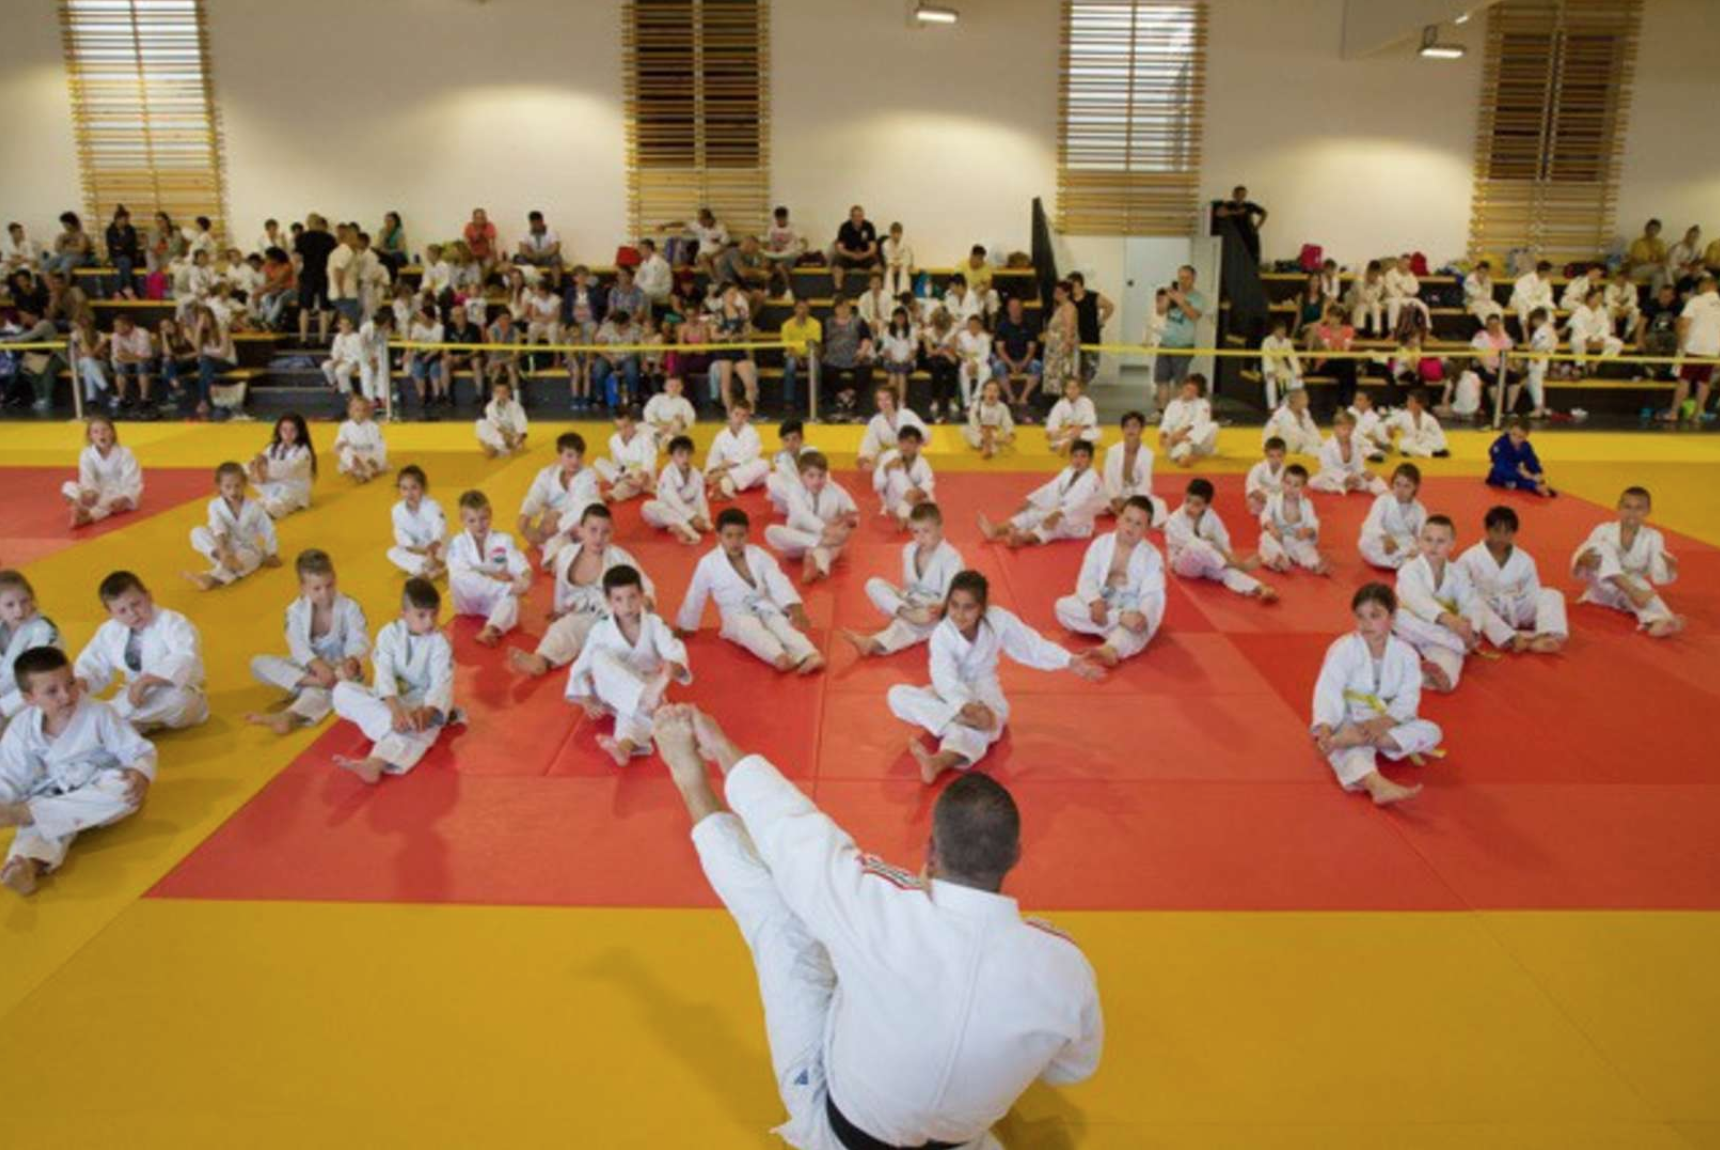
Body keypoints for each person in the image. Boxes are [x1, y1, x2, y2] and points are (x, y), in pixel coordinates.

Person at [654, 700, 1103, 1148]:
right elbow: (1071, 1069)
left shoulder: (881, 908)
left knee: (779, 919)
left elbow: (796, 833)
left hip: (835, 1131)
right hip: (963, 1142)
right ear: (1014, 857)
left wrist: (720, 746)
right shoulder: (1065, 967)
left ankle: (689, 780)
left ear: (930, 851)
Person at [889, 570, 1104, 782]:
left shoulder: (998, 620)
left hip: (984, 689)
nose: (959, 614)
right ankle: (960, 721)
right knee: (897, 695)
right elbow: (943, 678)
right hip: (950, 693)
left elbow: (1032, 646)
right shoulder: (942, 635)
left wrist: (1069, 660)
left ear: (982, 608)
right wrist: (964, 708)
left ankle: (938, 761)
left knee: (990, 725)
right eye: (954, 605)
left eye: (968, 607)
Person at [0, 647, 156, 896]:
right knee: (43, 814)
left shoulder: (100, 713)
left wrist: (140, 772)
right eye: (52, 691)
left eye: (70, 683)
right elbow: (7, 776)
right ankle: (28, 867)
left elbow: (137, 751)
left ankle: (29, 819)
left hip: (96, 788)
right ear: (29, 698)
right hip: (50, 795)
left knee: (122, 788)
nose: (67, 695)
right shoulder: (21, 728)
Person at [1310, 583, 1440, 806]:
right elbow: (1328, 688)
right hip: (1349, 716)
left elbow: (1408, 698)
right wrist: (1325, 724)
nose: (1366, 623)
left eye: (1375, 615)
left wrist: (1384, 721)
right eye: (1360, 616)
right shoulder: (1343, 648)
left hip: (1388, 720)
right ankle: (1376, 784)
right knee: (1345, 747)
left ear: (1392, 616)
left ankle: (1353, 740)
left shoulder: (1406, 654)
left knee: (1432, 732)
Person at [330, 577, 460, 785]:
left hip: (420, 706)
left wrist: (427, 712)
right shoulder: (388, 634)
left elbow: (441, 684)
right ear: (404, 613)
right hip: (390, 703)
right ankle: (401, 731)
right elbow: (383, 674)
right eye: (421, 615)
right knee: (342, 691)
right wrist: (396, 711)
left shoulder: (440, 643)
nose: (429, 621)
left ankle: (375, 763)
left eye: (434, 614)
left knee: (419, 728)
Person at [509, 505, 654, 680]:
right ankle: (540, 660)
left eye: (605, 532)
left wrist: (646, 603)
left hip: (612, 616)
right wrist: (559, 609)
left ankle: (607, 669)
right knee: (561, 630)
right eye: (593, 530)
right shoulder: (566, 554)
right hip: (582, 612)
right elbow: (561, 587)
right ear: (580, 530)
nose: (598, 537)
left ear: (612, 533)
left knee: (616, 646)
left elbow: (644, 585)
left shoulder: (619, 558)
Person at [564, 566, 690, 766]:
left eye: (632, 597)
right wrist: (586, 697)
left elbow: (675, 655)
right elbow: (580, 668)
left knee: (632, 711)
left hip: (646, 684)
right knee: (598, 658)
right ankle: (645, 696)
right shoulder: (601, 629)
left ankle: (623, 747)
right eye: (619, 599)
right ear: (608, 601)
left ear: (642, 595)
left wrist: (671, 668)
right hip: (613, 689)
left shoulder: (655, 624)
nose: (627, 605)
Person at [674, 508, 824, 674]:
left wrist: (796, 610)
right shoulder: (708, 563)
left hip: (764, 605)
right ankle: (779, 657)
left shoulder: (758, 555)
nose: (735, 541)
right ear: (718, 536)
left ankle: (810, 654)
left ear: (747, 534)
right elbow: (696, 595)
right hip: (735, 613)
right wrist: (686, 625)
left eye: (740, 535)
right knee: (750, 631)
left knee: (781, 625)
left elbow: (779, 581)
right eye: (729, 536)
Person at [244, 549, 369, 735]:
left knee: (337, 686)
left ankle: (289, 715)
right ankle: (320, 684)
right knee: (258, 663)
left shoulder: (349, 606)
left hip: (340, 667)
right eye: (317, 589)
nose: (325, 593)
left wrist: (351, 660)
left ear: (335, 578)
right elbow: (297, 647)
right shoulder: (294, 612)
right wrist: (317, 667)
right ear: (303, 587)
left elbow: (359, 639)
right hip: (309, 669)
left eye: (329, 585)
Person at [74, 571, 208, 732]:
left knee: (179, 701)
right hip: (134, 696)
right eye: (122, 611)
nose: (132, 613)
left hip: (176, 691)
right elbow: (93, 663)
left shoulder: (173, 622)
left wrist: (145, 682)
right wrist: (79, 685)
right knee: (121, 706)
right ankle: (127, 726)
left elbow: (185, 657)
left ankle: (112, 724)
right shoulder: (109, 631)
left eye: (136, 604)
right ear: (110, 613)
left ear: (149, 596)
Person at [1394, 516, 1513, 692]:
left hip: (1439, 634)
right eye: (1428, 540)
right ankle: (1461, 644)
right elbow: (1418, 601)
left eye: (1440, 541)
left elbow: (1471, 602)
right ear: (1419, 542)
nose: (1433, 546)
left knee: (1449, 657)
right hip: (1412, 626)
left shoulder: (1458, 572)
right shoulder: (1409, 570)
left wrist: (1471, 629)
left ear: (1452, 545)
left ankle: (1432, 678)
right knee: (1400, 618)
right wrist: (1456, 627)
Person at [841, 502, 963, 658]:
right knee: (873, 583)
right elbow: (908, 587)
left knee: (911, 625)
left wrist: (940, 607)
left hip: (933, 610)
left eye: (926, 531)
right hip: (910, 604)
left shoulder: (951, 558)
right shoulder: (909, 549)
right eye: (915, 531)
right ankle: (906, 614)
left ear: (940, 527)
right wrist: (905, 603)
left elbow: (952, 596)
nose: (920, 537)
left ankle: (872, 643)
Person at [1054, 496, 1165, 665]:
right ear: (1119, 518)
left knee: (1139, 627)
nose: (1131, 527)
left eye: (1138, 523)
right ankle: (1116, 624)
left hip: (1130, 606)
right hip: (1104, 605)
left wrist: (1141, 616)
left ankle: (1110, 649)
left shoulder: (1152, 556)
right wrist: (1094, 601)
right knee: (1062, 607)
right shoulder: (1101, 544)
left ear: (1147, 528)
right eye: (1128, 519)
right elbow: (1086, 579)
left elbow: (1153, 594)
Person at [1570, 486, 1682, 637]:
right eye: (1627, 507)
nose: (1632, 513)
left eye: (1638, 508)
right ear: (1619, 508)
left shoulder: (1654, 537)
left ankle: (1658, 621)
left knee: (1638, 581)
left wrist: (1670, 569)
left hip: (1627, 595)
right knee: (1600, 546)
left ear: (1647, 511)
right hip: (1602, 590)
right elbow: (1581, 562)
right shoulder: (1603, 529)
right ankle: (1635, 593)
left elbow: (1658, 577)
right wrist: (1581, 561)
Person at [1458, 506, 1567, 655]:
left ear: (1514, 533)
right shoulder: (1470, 557)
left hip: (1514, 606)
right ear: (1487, 530)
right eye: (1497, 531)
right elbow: (1458, 590)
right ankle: (1511, 638)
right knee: (1473, 602)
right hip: (1486, 609)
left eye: (1507, 532)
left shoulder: (1524, 559)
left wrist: (1530, 607)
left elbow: (1532, 591)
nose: (1501, 537)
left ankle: (1544, 635)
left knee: (1551, 594)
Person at [978, 439, 1106, 548]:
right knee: (1032, 514)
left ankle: (1020, 539)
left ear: (1090, 459)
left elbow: (1080, 502)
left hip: (1079, 523)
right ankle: (995, 531)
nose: (1078, 460)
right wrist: (1029, 501)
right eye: (1075, 456)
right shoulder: (1069, 471)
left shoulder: (1092, 479)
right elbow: (1051, 487)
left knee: (1051, 527)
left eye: (1083, 456)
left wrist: (1056, 514)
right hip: (1061, 512)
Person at [1165, 477, 1275, 601]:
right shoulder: (1174, 519)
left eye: (1197, 504)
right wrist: (1237, 563)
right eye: (1187, 500)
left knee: (1227, 572)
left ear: (1207, 505)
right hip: (1184, 565)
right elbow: (1194, 544)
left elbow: (1224, 542)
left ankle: (1260, 588)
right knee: (1196, 546)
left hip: (1208, 562)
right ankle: (1242, 567)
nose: (1189, 507)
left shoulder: (1211, 516)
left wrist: (1226, 556)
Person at [448, 489, 531, 647]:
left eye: (483, 518)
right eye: (472, 520)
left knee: (512, 599)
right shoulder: (457, 543)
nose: (479, 525)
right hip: (466, 601)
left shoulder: (503, 539)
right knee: (458, 577)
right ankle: (504, 590)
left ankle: (491, 629)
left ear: (490, 514)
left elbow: (516, 560)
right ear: (462, 520)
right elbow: (464, 578)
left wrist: (525, 575)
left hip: (490, 600)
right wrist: (500, 583)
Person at [185, 460, 281, 590]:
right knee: (197, 532)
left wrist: (272, 553)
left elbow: (268, 529)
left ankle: (210, 578)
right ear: (219, 487)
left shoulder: (253, 507)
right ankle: (224, 562)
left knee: (247, 559)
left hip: (247, 549)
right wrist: (223, 553)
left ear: (244, 484)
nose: (233, 491)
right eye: (228, 487)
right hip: (220, 548)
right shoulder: (215, 505)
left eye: (237, 486)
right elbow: (218, 528)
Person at [765, 452, 859, 583]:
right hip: (798, 542)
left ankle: (817, 566)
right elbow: (802, 515)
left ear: (826, 474)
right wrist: (826, 530)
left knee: (838, 540)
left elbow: (853, 513)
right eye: (811, 476)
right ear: (801, 476)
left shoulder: (835, 490)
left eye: (821, 476)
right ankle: (817, 550)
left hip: (828, 542)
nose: (817, 481)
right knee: (771, 531)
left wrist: (849, 521)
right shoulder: (795, 490)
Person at [517, 432, 600, 559]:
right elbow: (535, 495)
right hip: (550, 524)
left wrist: (559, 520)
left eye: (579, 456)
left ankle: (552, 544)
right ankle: (555, 551)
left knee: (593, 504)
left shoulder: (588, 474)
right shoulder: (547, 473)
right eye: (569, 455)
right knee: (555, 543)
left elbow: (580, 505)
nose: (575, 461)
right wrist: (525, 515)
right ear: (559, 455)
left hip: (575, 521)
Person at [0, 572, 62, 727]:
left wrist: (3, 707)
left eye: (24, 601)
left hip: (36, 703)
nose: (19, 610)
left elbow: (41, 681)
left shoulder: (45, 631)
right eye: (10, 605)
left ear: (32, 599)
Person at [62, 415, 142, 529]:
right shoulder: (86, 454)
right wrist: (90, 491)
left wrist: (125, 497)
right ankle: (78, 508)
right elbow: (86, 476)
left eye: (105, 430)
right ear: (90, 436)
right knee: (68, 486)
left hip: (118, 493)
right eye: (96, 432)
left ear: (112, 433)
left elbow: (133, 480)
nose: (101, 434)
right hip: (95, 492)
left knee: (106, 503)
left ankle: (87, 516)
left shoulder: (125, 453)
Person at [1257, 463, 1331, 576]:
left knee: (1307, 548)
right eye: (1287, 483)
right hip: (1278, 537)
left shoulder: (1307, 504)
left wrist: (1307, 531)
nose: (1291, 488)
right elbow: (1265, 515)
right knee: (1266, 538)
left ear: (1303, 487)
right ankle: (1280, 560)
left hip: (1296, 539)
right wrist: (1271, 527)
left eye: (1296, 485)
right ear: (1281, 482)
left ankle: (1315, 564)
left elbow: (1313, 522)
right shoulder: (1273, 499)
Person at [642, 435, 713, 546]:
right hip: (666, 512)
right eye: (680, 454)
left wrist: (705, 519)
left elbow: (701, 500)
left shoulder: (697, 475)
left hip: (687, 509)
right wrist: (692, 517)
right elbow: (673, 500)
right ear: (672, 457)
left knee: (705, 522)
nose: (685, 458)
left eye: (688, 454)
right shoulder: (667, 473)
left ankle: (679, 527)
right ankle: (688, 530)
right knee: (647, 506)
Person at [1669, 274, 1720, 422]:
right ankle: (1697, 414)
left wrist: (1681, 345)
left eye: (1700, 286)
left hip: (1693, 347)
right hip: (1712, 349)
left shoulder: (1696, 301)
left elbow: (1684, 324)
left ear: (1707, 285)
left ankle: (1673, 413)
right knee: (1704, 382)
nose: (1698, 288)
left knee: (1684, 380)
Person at [1154, 266, 1205, 409]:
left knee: (1180, 382)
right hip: (1165, 343)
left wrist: (1181, 301)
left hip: (1183, 345)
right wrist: (1165, 298)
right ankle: (1161, 411)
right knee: (1161, 379)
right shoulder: (1171, 292)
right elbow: (1160, 311)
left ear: (1193, 279)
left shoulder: (1198, 298)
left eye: (1186, 278)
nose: (1182, 281)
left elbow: (1194, 316)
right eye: (1180, 277)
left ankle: (1178, 412)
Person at [1358, 463, 1426, 570]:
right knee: (1365, 543)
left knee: (1423, 551)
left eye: (1407, 486)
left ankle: (1404, 560)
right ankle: (1404, 562)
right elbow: (1371, 524)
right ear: (1392, 483)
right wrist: (1385, 537)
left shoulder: (1419, 509)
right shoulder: (1383, 500)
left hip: (1403, 544)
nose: (1400, 490)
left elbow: (1424, 535)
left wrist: (1417, 549)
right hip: (1382, 542)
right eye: (1397, 484)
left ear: (1415, 487)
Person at [1103, 411, 1166, 524]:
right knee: (1092, 498)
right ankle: (1124, 512)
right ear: (1122, 429)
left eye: (1134, 426)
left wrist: (1131, 501)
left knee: (1160, 505)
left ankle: (1125, 512)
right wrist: (1114, 498)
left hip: (1135, 495)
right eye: (1127, 426)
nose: (1130, 429)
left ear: (1142, 429)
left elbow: (1145, 484)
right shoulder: (1113, 451)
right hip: (1114, 495)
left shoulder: (1148, 454)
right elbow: (1108, 478)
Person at [249, 413, 317, 519]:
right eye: (284, 430)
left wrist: (263, 462)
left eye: (292, 430)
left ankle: (259, 520)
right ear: (279, 431)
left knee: (273, 507)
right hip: (275, 487)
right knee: (251, 505)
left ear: (300, 432)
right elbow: (258, 462)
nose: (288, 434)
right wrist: (256, 464)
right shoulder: (274, 447)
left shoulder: (303, 452)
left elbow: (287, 469)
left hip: (294, 490)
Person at [387, 465, 447, 579]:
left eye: (414, 488)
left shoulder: (432, 506)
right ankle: (428, 568)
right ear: (399, 489)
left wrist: (431, 551)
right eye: (404, 488)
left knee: (453, 547)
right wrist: (413, 548)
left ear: (423, 488)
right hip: (417, 549)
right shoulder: (396, 510)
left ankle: (429, 567)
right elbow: (399, 532)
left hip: (436, 547)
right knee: (392, 552)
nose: (409, 493)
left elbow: (439, 528)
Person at [819, 297, 874, 422]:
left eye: (846, 307)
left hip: (854, 356)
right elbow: (822, 342)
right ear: (835, 309)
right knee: (825, 369)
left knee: (867, 367)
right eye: (840, 307)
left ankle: (849, 394)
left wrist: (862, 351)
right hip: (833, 357)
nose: (843, 310)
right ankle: (843, 396)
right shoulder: (827, 322)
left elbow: (866, 338)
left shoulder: (859, 321)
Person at [1309, 410, 1387, 496]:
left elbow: (1358, 465)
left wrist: (1364, 472)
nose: (1347, 433)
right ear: (1335, 428)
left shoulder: (1354, 443)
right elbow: (1328, 468)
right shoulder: (1327, 446)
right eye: (1344, 429)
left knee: (1372, 477)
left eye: (1350, 430)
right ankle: (1340, 487)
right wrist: (1345, 477)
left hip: (1352, 476)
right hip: (1334, 477)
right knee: (1314, 481)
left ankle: (1384, 493)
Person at [872, 423, 934, 527]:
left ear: (918, 445)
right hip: (893, 499)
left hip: (913, 500)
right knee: (895, 470)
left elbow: (929, 482)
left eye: (910, 442)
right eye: (902, 442)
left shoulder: (922, 462)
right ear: (898, 443)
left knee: (929, 495)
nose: (906, 447)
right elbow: (877, 486)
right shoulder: (890, 456)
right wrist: (886, 468)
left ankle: (906, 514)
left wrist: (918, 491)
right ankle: (905, 513)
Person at [705, 401, 770, 498]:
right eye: (736, 414)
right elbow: (713, 457)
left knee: (764, 465)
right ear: (729, 414)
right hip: (728, 470)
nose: (739, 419)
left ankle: (725, 479)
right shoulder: (721, 436)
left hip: (747, 471)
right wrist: (715, 469)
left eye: (744, 416)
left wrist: (726, 467)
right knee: (709, 473)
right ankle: (726, 484)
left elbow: (749, 456)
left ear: (748, 417)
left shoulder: (752, 432)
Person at [990, 295, 1042, 417]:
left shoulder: (1029, 326)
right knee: (997, 366)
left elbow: (1031, 349)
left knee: (1037, 365)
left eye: (1018, 307)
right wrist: (1011, 364)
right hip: (1007, 360)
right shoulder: (1002, 326)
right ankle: (1010, 396)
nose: (1015, 310)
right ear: (1008, 309)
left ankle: (1024, 397)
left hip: (1025, 359)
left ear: (1022, 309)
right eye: (1012, 307)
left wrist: (1023, 363)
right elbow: (1000, 349)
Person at [294, 214, 338, 347]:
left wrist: (296, 276)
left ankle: (303, 340)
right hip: (324, 275)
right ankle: (323, 340)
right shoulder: (329, 238)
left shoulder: (301, 238)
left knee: (304, 308)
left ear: (308, 223)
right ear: (320, 223)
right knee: (324, 309)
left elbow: (296, 259)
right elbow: (334, 259)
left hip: (307, 274)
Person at [1158, 374, 1218, 467]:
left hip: (1197, 442)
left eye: (1192, 390)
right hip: (1179, 442)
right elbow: (1166, 423)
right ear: (1182, 388)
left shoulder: (1203, 403)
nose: (1188, 392)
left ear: (1197, 392)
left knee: (1213, 426)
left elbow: (1197, 424)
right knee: (1183, 458)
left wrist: (1178, 436)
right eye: (1187, 388)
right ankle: (1190, 457)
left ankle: (1193, 455)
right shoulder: (1173, 404)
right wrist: (1163, 435)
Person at [1067, 271, 1114, 383]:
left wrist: (1101, 321)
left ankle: (1081, 395)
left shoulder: (1092, 297)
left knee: (1088, 372)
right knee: (1072, 374)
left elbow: (1110, 306)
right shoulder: (1068, 299)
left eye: (1071, 284)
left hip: (1091, 339)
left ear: (1078, 283)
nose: (1069, 287)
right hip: (1073, 340)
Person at [1486, 418, 1553, 496]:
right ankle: (1533, 486)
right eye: (1513, 434)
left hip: (1517, 473)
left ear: (1526, 436)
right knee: (1504, 473)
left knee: (1533, 478)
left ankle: (1536, 486)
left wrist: (1537, 472)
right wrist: (1520, 471)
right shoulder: (1500, 444)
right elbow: (1500, 462)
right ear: (1509, 431)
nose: (1516, 439)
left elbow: (1531, 460)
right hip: (1500, 474)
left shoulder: (1525, 446)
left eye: (1520, 437)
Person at [1040, 280, 1079, 407]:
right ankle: (1058, 406)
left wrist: (1067, 345)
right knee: (1054, 379)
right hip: (1053, 349)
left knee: (1062, 377)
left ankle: (1065, 406)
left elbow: (1069, 328)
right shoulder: (1060, 307)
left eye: (1059, 292)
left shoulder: (1068, 307)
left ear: (1067, 293)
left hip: (1061, 348)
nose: (1056, 294)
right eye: (1055, 291)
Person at [333, 395, 387, 483]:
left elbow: (380, 446)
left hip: (369, 456)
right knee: (345, 450)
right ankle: (357, 468)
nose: (361, 413)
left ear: (369, 412)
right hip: (354, 456)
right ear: (350, 411)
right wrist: (339, 445)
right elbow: (340, 442)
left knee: (378, 456)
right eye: (357, 410)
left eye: (364, 410)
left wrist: (374, 459)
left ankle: (366, 472)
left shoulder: (374, 427)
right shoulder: (344, 426)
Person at [1384, 388, 1449, 458]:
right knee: (1404, 444)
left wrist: (1427, 438)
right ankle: (1432, 454)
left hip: (1424, 442)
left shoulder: (1429, 418)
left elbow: (1439, 435)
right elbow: (1389, 421)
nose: (1407, 402)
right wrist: (1389, 428)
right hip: (1411, 442)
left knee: (1441, 443)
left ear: (1419, 404)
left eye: (1411, 401)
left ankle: (1417, 452)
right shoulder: (1403, 415)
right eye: (1408, 400)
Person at [829, 204, 879, 292]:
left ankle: (872, 290)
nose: (858, 218)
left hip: (865, 256)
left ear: (863, 216)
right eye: (855, 216)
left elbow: (873, 248)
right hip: (848, 256)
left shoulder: (869, 226)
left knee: (876, 266)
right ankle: (838, 290)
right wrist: (851, 255)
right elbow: (840, 248)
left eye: (860, 216)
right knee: (837, 264)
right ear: (851, 217)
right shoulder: (844, 227)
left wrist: (863, 255)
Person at [476, 378, 530, 459]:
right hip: (499, 436)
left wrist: (515, 440)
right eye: (498, 392)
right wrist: (503, 435)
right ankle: (498, 448)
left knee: (516, 444)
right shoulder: (490, 406)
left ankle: (500, 449)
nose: (501, 395)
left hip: (512, 437)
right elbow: (494, 425)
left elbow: (522, 430)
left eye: (504, 392)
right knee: (480, 423)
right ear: (494, 393)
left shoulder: (515, 406)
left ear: (509, 393)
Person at [1044, 377, 1100, 455]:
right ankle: (1071, 444)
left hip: (1082, 431)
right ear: (1065, 390)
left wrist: (1079, 429)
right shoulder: (1060, 404)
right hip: (1067, 432)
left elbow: (1091, 420)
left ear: (1079, 389)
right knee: (1055, 437)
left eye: (1075, 388)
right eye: (1069, 388)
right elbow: (1053, 421)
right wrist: (1053, 432)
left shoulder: (1086, 402)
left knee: (1097, 433)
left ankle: (1068, 444)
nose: (1072, 391)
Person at [964, 378, 1016, 459]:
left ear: (999, 394)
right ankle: (987, 445)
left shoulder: (1002, 407)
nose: (992, 393)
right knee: (965, 430)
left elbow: (1007, 423)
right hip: (980, 434)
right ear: (983, 392)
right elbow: (973, 424)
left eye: (995, 391)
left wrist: (1010, 433)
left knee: (1003, 437)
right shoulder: (976, 405)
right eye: (989, 390)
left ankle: (988, 445)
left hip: (995, 434)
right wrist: (984, 434)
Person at [1261, 387, 1321, 457]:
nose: (1307, 401)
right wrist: (1266, 447)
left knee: (1327, 449)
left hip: (1307, 443)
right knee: (1319, 452)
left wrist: (1321, 443)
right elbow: (1269, 429)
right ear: (1294, 400)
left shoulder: (1305, 412)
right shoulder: (1281, 414)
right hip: (1292, 447)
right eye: (1304, 398)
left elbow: (1313, 429)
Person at [1258, 315, 1302, 410]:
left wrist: (1298, 371)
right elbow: (1266, 357)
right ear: (1274, 331)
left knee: (1298, 380)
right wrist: (1269, 370)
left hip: (1281, 366)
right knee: (1271, 381)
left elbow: (1292, 357)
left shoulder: (1287, 342)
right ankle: (1272, 407)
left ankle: (1285, 404)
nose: (1282, 332)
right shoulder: (1267, 341)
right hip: (1270, 366)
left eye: (1284, 329)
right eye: (1280, 330)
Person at [955, 313, 992, 413]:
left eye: (975, 325)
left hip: (980, 362)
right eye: (970, 325)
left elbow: (986, 354)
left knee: (987, 371)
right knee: (963, 372)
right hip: (966, 361)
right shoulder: (962, 336)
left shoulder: (985, 337)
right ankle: (967, 404)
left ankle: (976, 397)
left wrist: (976, 363)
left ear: (980, 325)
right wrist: (967, 360)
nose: (973, 327)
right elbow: (958, 351)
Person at [103, 205, 142, 299]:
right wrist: (123, 245)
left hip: (129, 256)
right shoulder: (110, 230)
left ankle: (117, 291)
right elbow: (112, 247)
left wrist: (121, 247)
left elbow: (133, 247)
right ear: (118, 219)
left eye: (127, 219)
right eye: (125, 219)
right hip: (115, 257)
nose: (127, 221)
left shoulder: (130, 230)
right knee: (124, 261)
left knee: (124, 263)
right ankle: (128, 288)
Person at [1510, 260, 1557, 336]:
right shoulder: (1526, 279)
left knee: (1547, 311)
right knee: (1523, 306)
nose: (1549, 274)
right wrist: (1534, 304)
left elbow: (1547, 295)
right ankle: (1525, 334)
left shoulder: (1546, 281)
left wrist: (1545, 303)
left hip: (1537, 302)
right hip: (1520, 300)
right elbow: (1522, 295)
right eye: (1548, 272)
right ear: (1543, 271)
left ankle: (1550, 334)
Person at [514, 210, 562, 284]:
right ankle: (528, 284)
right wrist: (531, 255)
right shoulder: (525, 232)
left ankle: (557, 285)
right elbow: (522, 248)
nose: (536, 225)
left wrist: (542, 254)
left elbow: (555, 248)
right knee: (520, 258)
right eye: (534, 223)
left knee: (556, 258)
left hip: (546, 257)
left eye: (538, 223)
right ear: (530, 223)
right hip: (532, 258)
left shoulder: (551, 231)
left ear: (542, 221)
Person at [643, 374, 696, 440]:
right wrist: (659, 424)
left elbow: (690, 417)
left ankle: (668, 437)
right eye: (671, 386)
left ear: (682, 387)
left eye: (677, 386)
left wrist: (681, 421)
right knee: (641, 427)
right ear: (665, 387)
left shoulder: (684, 402)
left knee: (677, 424)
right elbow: (648, 412)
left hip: (675, 429)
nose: (674, 388)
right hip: (658, 425)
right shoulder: (657, 398)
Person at [1246, 437, 1288, 517]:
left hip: (1278, 500)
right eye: (1271, 456)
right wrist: (1270, 501)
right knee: (1253, 500)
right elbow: (1253, 490)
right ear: (1265, 454)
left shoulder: (1287, 471)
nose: (1275, 459)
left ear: (1285, 454)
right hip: (1261, 500)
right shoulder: (1258, 468)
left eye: (1279, 456)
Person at [1346, 260, 1387, 337]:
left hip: (1369, 300)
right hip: (1353, 299)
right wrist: (1371, 286)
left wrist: (1373, 285)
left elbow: (1377, 296)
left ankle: (1376, 331)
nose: (1375, 276)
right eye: (1373, 274)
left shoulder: (1380, 280)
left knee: (1376, 306)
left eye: (1376, 274)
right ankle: (1358, 330)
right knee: (1361, 306)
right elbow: (1361, 296)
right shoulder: (1360, 279)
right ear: (1368, 271)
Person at [881, 220, 914, 296]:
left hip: (903, 265)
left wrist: (901, 264)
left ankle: (903, 294)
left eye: (898, 233)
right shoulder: (885, 244)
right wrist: (893, 264)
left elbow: (908, 257)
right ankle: (889, 294)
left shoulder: (906, 244)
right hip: (891, 265)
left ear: (901, 233)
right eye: (894, 233)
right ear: (890, 233)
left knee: (904, 271)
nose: (896, 236)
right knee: (889, 271)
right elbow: (887, 257)